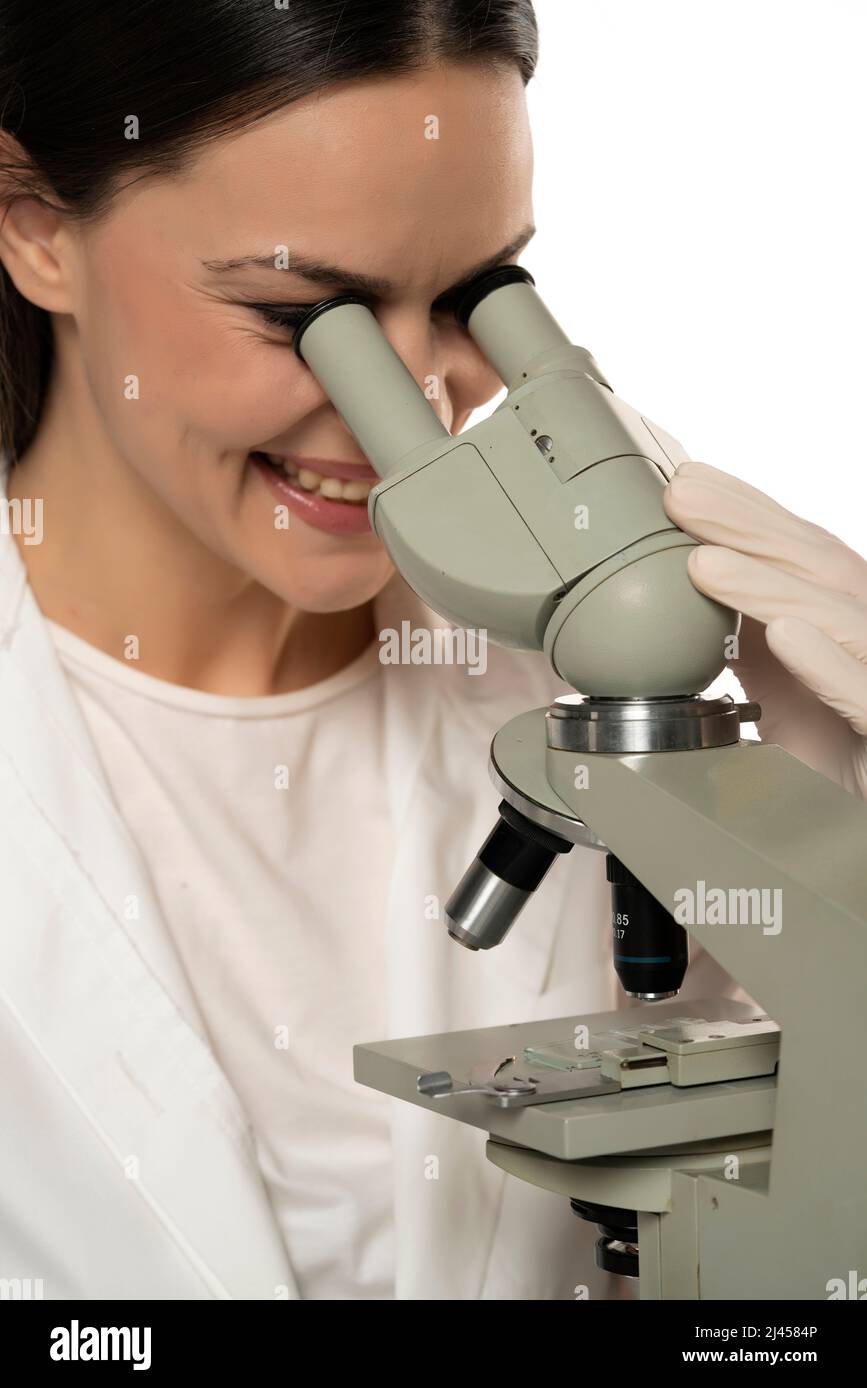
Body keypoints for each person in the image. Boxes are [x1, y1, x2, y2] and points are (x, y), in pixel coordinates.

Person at [0, 0, 862, 1302]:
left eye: (475, 297)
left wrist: (831, 836)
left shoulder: (580, 672)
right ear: (37, 227)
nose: (418, 401)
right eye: (307, 312)